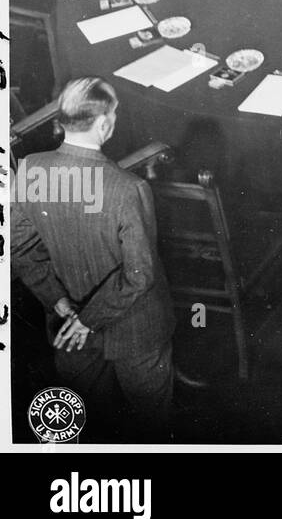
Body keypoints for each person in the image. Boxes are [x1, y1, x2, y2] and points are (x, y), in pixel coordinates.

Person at [11, 78, 175, 441]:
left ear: (62, 121)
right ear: (104, 123)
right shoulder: (128, 187)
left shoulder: (30, 170)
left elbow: (20, 249)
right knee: (152, 425)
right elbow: (139, 274)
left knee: (88, 426)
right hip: (136, 332)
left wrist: (61, 304)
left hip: (69, 332)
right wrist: (88, 319)